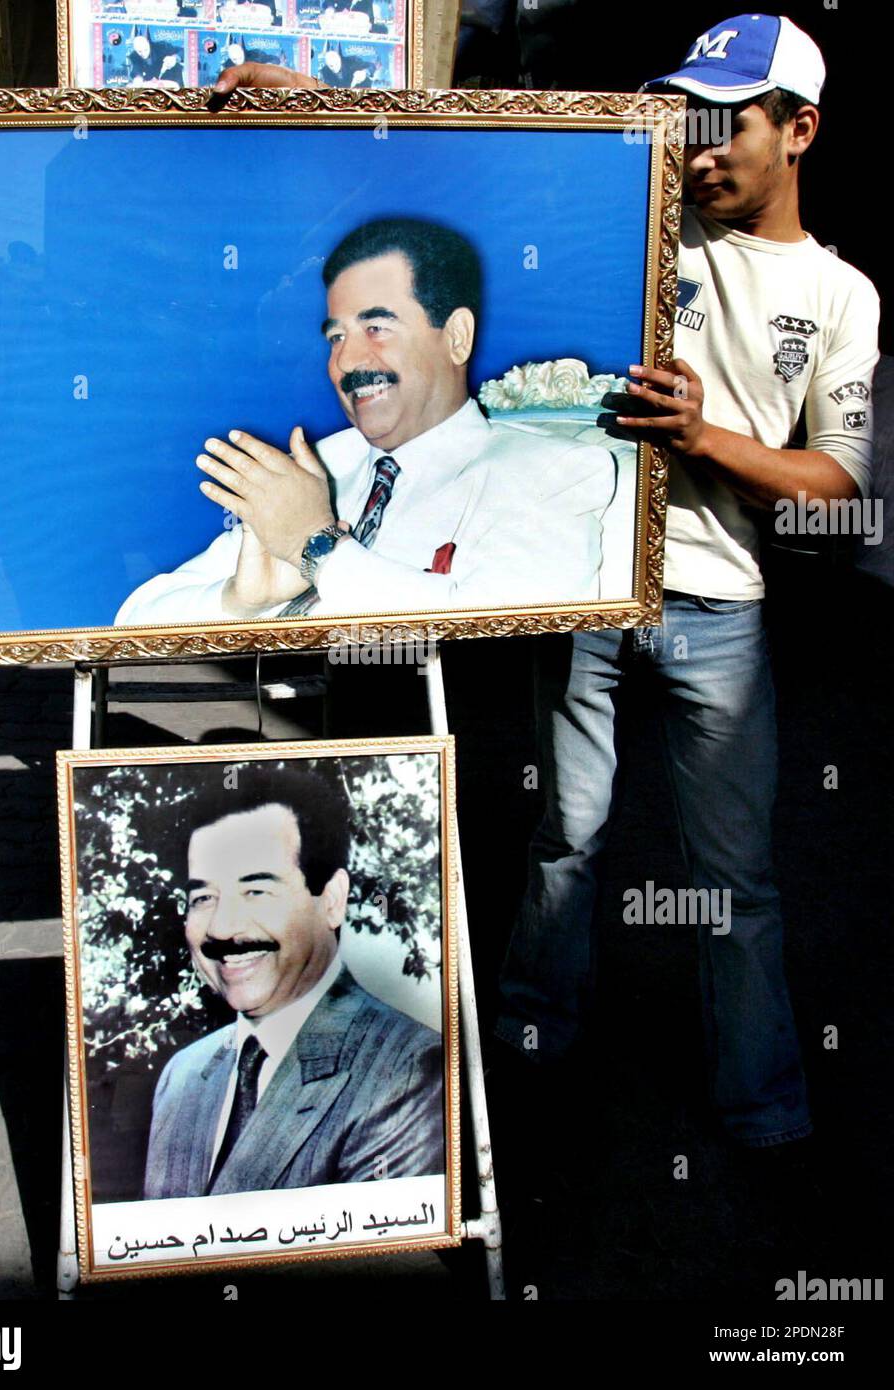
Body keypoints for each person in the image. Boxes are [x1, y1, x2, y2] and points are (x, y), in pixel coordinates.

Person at [495, 15, 879, 1151]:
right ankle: (528, 1046)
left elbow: (833, 485)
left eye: (729, 124)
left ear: (799, 130)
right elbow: (483, 153)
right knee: (566, 837)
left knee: (735, 880)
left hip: (722, 611)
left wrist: (706, 439)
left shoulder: (841, 295)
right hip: (589, 588)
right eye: (687, 122)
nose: (699, 148)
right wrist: (309, 96)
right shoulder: (635, 228)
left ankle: (760, 1107)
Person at [115, 217, 616, 625]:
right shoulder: (322, 467)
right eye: (336, 336)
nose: (347, 362)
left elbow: (507, 629)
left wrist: (319, 549)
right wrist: (240, 600)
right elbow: (134, 621)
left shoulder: (553, 470)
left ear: (457, 336)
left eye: (376, 327)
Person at [144, 763, 445, 1198]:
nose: (223, 928)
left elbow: (377, 1261)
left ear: (332, 901)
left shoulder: (405, 1070)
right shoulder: (183, 1075)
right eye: (204, 897)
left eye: (257, 890)